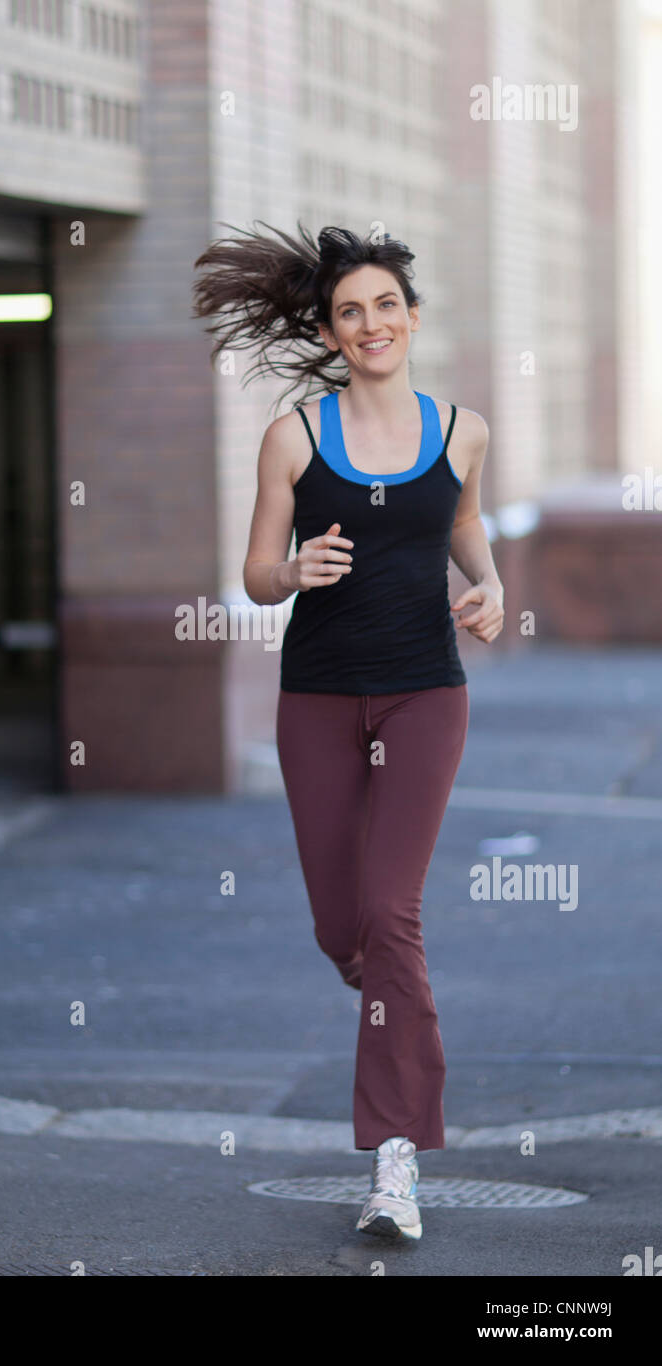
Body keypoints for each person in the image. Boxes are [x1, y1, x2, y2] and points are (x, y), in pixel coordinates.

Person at [192, 222, 504, 1242]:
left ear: (410, 319)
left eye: (383, 307)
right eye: (347, 313)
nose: (368, 324)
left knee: (389, 911)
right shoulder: (293, 434)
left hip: (423, 691)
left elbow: (460, 527)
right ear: (329, 335)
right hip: (318, 697)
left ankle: (394, 1161)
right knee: (345, 929)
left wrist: (490, 587)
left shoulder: (461, 429)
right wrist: (293, 573)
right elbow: (251, 573)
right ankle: (399, 1013)